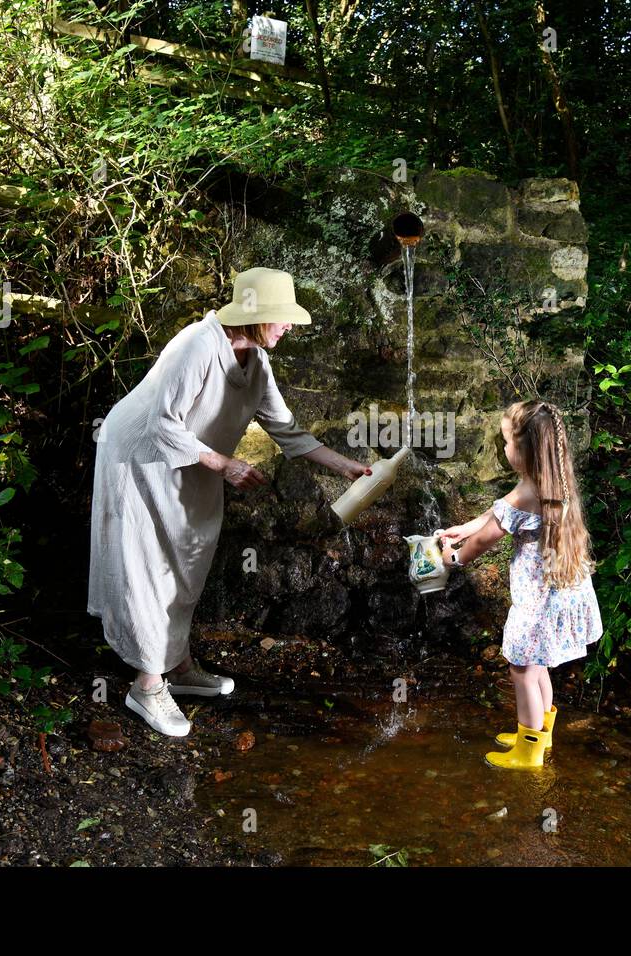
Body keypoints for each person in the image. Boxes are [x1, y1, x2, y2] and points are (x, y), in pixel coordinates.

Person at [88, 267, 372, 738]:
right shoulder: (197, 345)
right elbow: (161, 422)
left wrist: (345, 467)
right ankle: (146, 684)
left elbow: (286, 430)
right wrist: (225, 464)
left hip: (194, 460)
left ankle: (177, 667)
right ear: (255, 315)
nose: (287, 328)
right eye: (281, 319)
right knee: (148, 563)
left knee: (188, 557)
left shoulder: (258, 362)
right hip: (139, 458)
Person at [434, 400, 603, 770]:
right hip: (560, 593)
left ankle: (528, 752)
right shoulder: (553, 479)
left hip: (538, 602)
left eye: (507, 442)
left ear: (524, 450)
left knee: (522, 669)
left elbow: (485, 540)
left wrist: (452, 559)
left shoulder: (527, 493)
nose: (504, 448)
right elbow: (498, 512)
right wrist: (465, 526)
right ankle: (540, 733)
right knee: (538, 665)